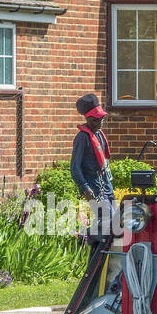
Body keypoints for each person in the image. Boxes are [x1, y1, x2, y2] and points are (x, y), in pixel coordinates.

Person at [70, 93, 115, 237]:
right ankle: (91, 245)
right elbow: (74, 167)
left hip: (106, 186)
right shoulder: (82, 138)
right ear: (88, 119)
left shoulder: (99, 134)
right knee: (107, 224)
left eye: (102, 118)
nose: (101, 122)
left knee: (114, 222)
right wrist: (85, 188)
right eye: (96, 119)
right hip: (94, 189)